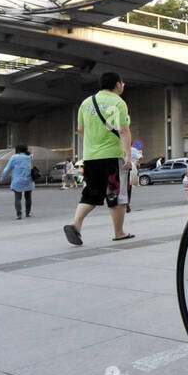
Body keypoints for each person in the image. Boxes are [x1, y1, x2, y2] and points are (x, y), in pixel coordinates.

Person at [64, 72, 133, 245]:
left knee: (92, 193)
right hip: (112, 156)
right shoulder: (118, 102)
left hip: (91, 157)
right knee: (116, 194)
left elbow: (80, 129)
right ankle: (119, 233)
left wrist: (94, 142)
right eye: (122, 83)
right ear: (118, 85)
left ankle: (76, 224)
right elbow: (123, 130)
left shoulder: (86, 103)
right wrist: (129, 155)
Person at [0, 144, 35, 219]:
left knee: (18, 198)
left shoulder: (14, 157)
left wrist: (2, 177)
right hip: (28, 180)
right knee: (28, 197)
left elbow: (8, 168)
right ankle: (28, 213)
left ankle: (19, 214)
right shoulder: (29, 157)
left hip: (17, 181)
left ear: (17, 149)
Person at [126, 139, 143, 213]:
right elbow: (141, 157)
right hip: (130, 170)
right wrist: (137, 163)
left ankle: (124, 204)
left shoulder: (121, 149)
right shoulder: (133, 149)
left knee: (123, 188)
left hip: (124, 170)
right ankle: (127, 204)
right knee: (128, 188)